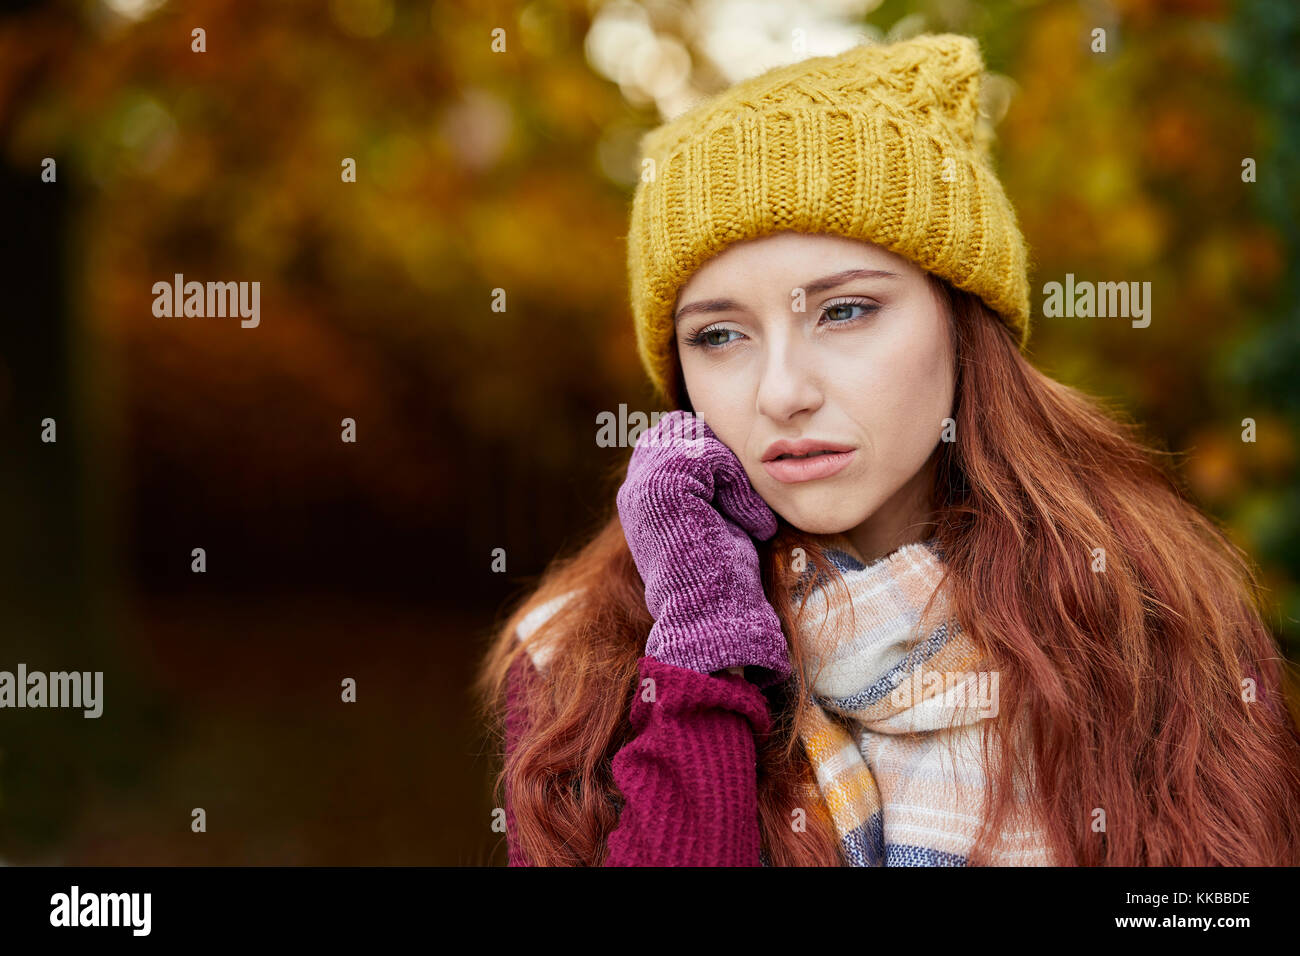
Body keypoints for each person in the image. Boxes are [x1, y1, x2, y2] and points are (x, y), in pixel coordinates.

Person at [474, 33, 1300, 866]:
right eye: (720, 334)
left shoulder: (1152, 614)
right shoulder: (584, 657)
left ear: (960, 318)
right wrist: (703, 655)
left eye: (844, 312)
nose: (781, 391)